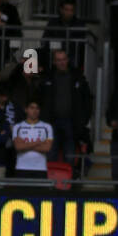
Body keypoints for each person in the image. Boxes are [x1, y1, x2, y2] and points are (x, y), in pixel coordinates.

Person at [40, 48, 92, 177]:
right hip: (52, 122)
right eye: (59, 60)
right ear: (54, 62)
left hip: (71, 122)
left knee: (70, 155)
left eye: (64, 59)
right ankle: (51, 183)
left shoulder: (77, 77)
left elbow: (87, 100)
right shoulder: (47, 77)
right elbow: (40, 99)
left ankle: (69, 182)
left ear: (68, 60)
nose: (62, 62)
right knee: (51, 154)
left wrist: (83, 120)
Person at [41, 0, 88, 72]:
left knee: (74, 60)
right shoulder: (53, 23)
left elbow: (82, 44)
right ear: (61, 10)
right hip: (55, 54)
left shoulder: (79, 24)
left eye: (71, 10)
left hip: (72, 55)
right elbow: (45, 40)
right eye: (66, 10)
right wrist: (55, 49)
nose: (69, 13)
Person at [11, 101, 53, 179]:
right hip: (21, 168)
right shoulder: (17, 127)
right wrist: (38, 142)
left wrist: (25, 145)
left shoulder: (47, 127)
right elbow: (18, 147)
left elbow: (47, 148)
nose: (35, 111)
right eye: (32, 108)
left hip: (40, 168)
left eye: (37, 108)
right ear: (26, 109)